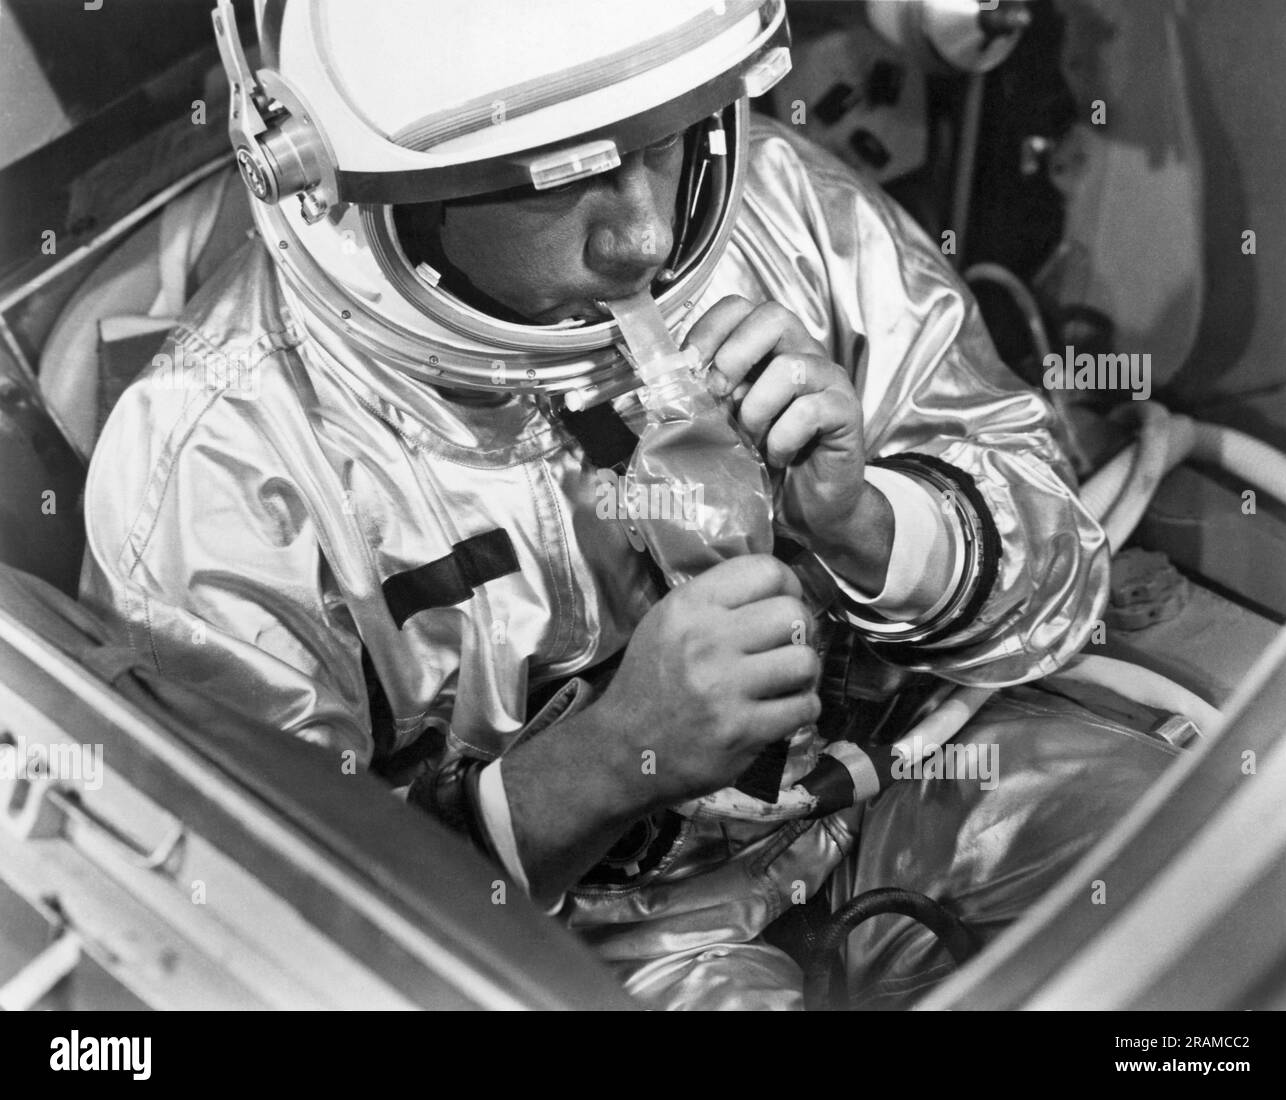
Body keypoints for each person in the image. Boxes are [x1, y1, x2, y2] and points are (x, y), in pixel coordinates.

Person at [80, 0, 1176, 1009]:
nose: (646, 237)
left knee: (1190, 890)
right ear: (344, 183)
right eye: (555, 180)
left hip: (897, 782)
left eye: (656, 142)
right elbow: (286, 937)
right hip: (579, 957)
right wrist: (602, 761)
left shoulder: (778, 207)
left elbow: (1060, 577)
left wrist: (872, 525)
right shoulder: (216, 469)